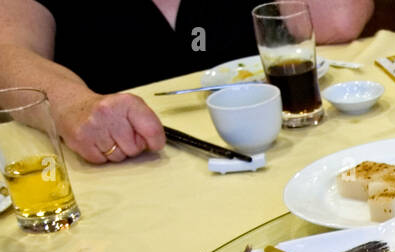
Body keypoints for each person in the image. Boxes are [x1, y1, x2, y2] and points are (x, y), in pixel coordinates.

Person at [0, 0, 373, 164]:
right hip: (131, 169)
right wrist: (73, 104)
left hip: (273, 155)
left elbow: (338, 20)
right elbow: (7, 51)